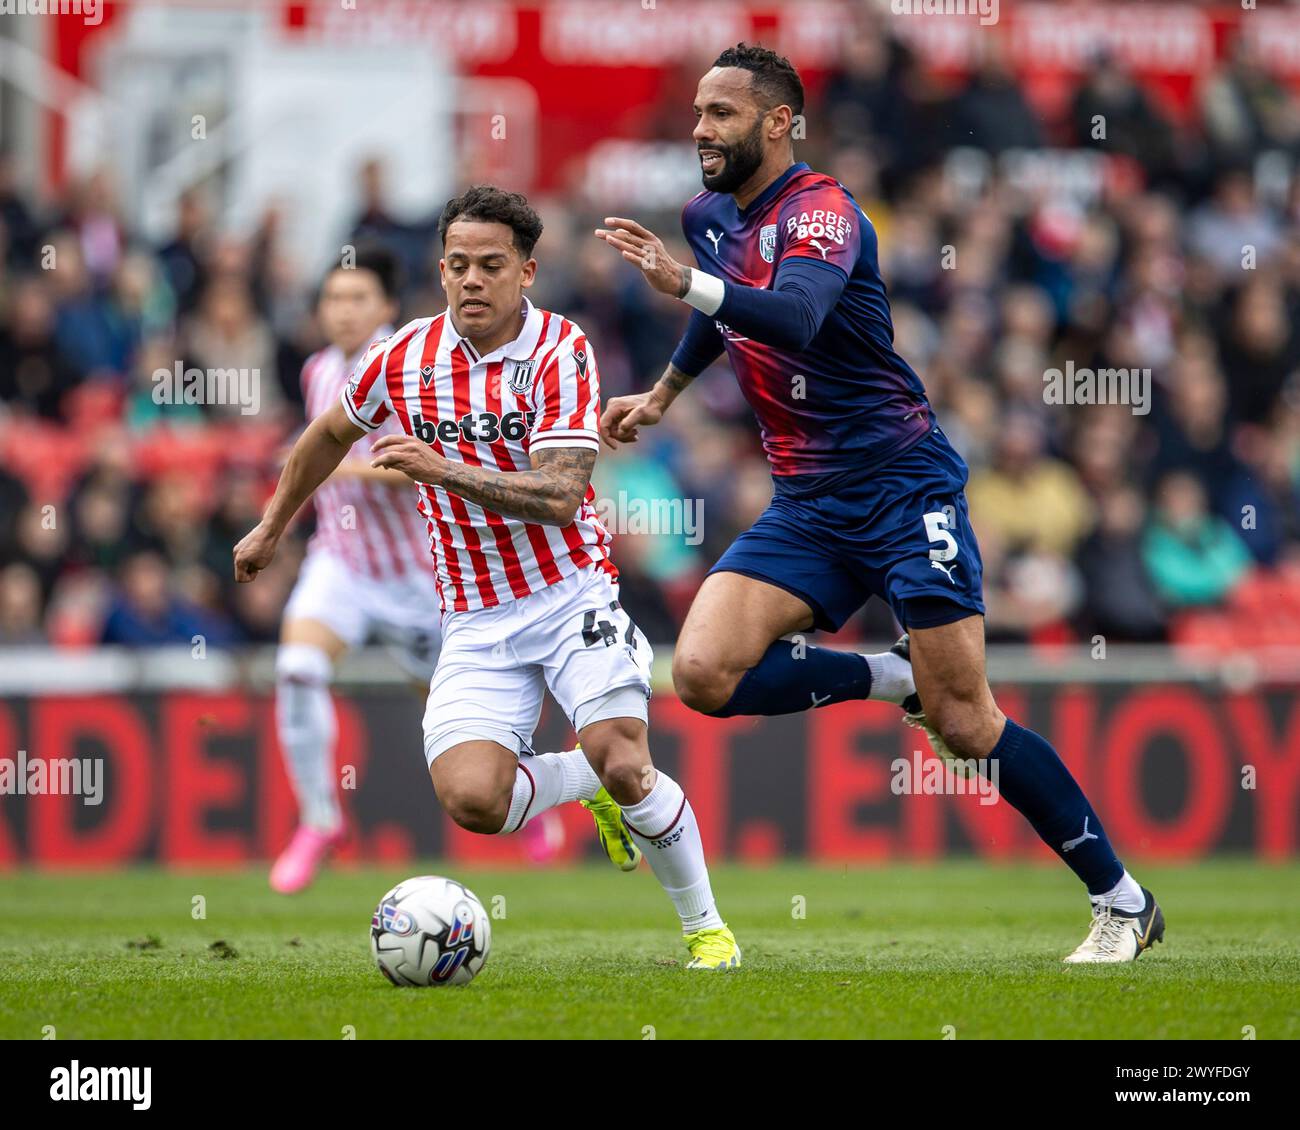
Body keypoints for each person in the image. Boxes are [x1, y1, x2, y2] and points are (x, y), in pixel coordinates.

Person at [596, 43, 1162, 963]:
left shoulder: (823, 212)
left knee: (969, 721)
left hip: (903, 486)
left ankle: (1123, 901)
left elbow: (796, 315)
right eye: (698, 112)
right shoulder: (706, 216)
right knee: (700, 673)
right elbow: (722, 312)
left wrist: (682, 282)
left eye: (722, 115)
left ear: (779, 123)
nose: (700, 129)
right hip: (808, 500)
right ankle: (889, 676)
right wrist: (664, 392)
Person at [237, 187, 740, 968]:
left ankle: (706, 930)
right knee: (476, 801)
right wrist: (273, 525)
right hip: (472, 616)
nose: (472, 280)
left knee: (627, 758)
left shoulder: (559, 350)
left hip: (571, 593)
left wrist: (441, 466)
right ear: (441, 270)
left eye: (491, 266)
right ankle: (586, 783)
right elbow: (326, 435)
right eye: (459, 265)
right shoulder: (402, 356)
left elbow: (561, 493)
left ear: (527, 272)